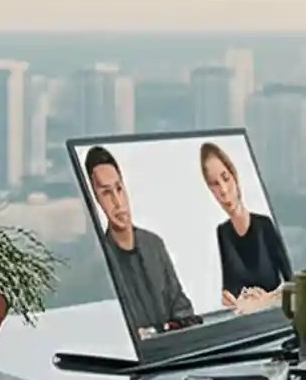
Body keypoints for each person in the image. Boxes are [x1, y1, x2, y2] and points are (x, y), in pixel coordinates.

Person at [85, 145, 201, 339]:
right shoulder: (100, 262)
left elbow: (182, 309)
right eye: (106, 193)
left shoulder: (154, 245)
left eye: (119, 189)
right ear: (95, 200)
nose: (117, 201)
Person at [200, 142, 293, 310]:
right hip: (242, 321)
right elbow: (229, 289)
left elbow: (292, 285)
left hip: (272, 317)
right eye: (214, 184)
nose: (223, 190)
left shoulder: (264, 226)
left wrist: (269, 298)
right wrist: (228, 298)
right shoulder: (222, 233)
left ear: (235, 177)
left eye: (225, 178)